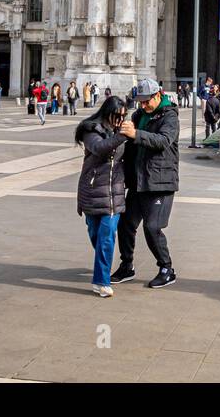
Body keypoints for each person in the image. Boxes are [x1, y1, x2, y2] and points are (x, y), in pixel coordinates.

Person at [112, 78, 180, 290]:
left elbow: (162, 141)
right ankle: (127, 265)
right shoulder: (139, 115)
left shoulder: (169, 116)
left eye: (146, 101)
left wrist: (136, 134)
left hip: (161, 182)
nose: (143, 105)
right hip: (138, 181)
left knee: (152, 227)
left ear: (158, 95)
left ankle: (167, 269)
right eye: (139, 102)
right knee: (125, 224)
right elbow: (131, 146)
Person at [76, 96, 130, 297]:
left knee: (107, 236)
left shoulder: (119, 131)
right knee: (96, 234)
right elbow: (99, 148)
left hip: (114, 192)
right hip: (92, 190)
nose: (120, 120)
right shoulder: (91, 130)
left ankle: (101, 281)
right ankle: (103, 265)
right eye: (117, 116)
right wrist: (123, 135)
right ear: (107, 113)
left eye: (123, 116)